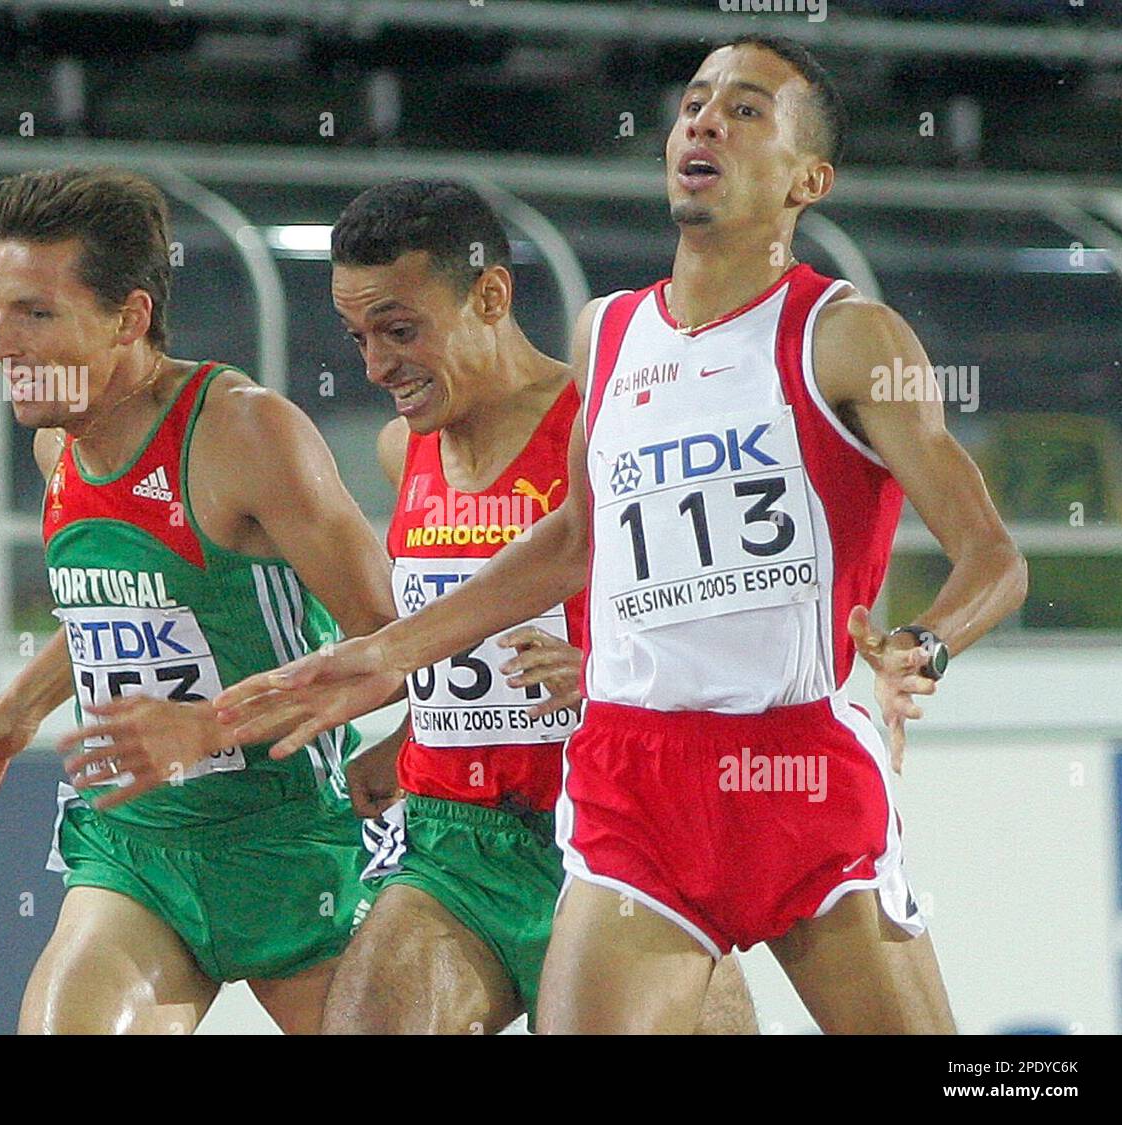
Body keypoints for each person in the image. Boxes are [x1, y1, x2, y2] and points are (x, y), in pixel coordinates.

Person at [213, 36, 1028, 1034]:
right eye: (694, 103)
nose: (704, 122)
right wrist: (386, 652)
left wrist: (924, 644)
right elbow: (571, 544)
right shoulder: (611, 331)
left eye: (745, 110)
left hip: (793, 768)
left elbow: (994, 556)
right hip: (631, 781)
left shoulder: (846, 337)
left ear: (807, 179)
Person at [75, 178, 758, 1034]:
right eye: (357, 336)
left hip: (608, 838)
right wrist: (403, 741)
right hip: (449, 846)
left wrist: (607, 674)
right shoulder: (407, 450)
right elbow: (424, 638)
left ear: (492, 295)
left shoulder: (611, 426)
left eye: (400, 330)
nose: (374, 366)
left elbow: (728, 626)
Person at [0, 166, 395, 1034]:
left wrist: (209, 729)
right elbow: (122, 608)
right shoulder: (58, 447)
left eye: (36, 313)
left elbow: (391, 647)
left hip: (291, 843)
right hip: (135, 850)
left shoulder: (245, 431)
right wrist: (17, 709)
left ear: (129, 317)